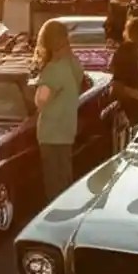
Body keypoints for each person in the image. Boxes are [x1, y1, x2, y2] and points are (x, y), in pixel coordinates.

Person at [34, 19, 84, 202]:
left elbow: (41, 100)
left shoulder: (52, 70)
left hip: (50, 134)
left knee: (54, 185)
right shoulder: (72, 64)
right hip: (67, 129)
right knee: (65, 179)